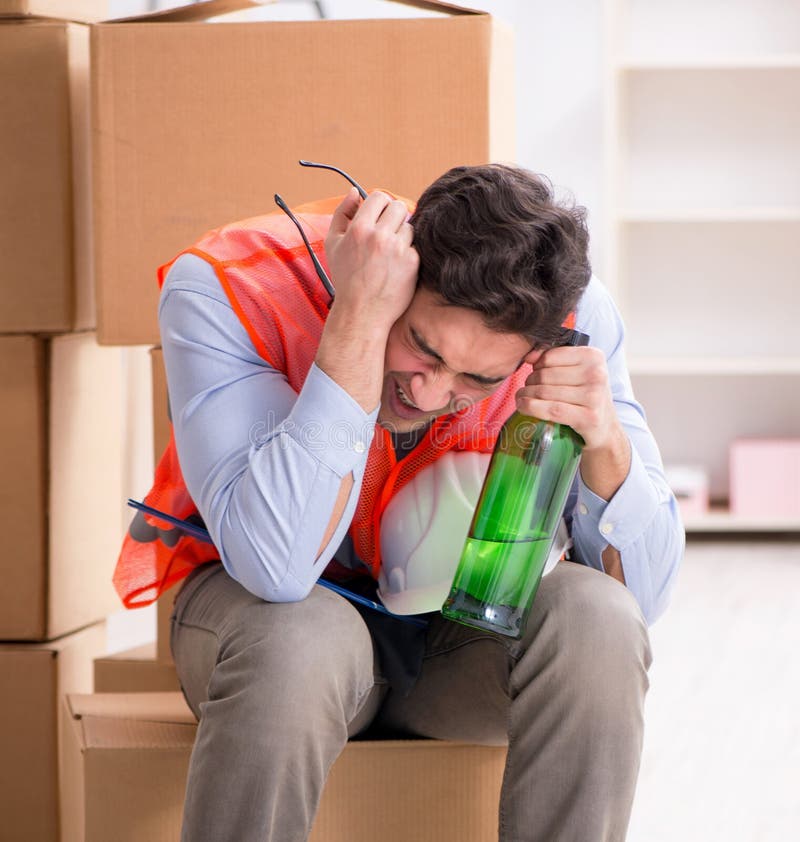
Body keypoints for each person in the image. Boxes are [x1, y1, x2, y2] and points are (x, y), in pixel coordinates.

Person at [115, 163, 684, 841]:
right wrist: (357, 319)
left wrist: (606, 445)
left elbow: (642, 601)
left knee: (599, 617)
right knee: (301, 637)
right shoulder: (227, 287)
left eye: (478, 379)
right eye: (421, 346)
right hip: (264, 639)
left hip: (458, 641)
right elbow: (275, 569)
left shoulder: (572, 322)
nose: (431, 393)